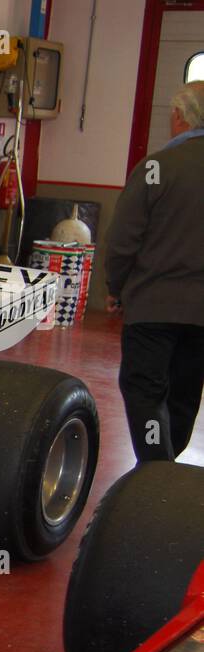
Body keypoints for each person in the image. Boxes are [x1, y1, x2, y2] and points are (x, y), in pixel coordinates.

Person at [106, 80, 204, 463]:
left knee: (145, 389)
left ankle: (154, 465)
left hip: (152, 308)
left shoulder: (155, 170)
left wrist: (116, 288)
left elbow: (122, 240)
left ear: (179, 117)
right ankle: (167, 460)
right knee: (184, 390)